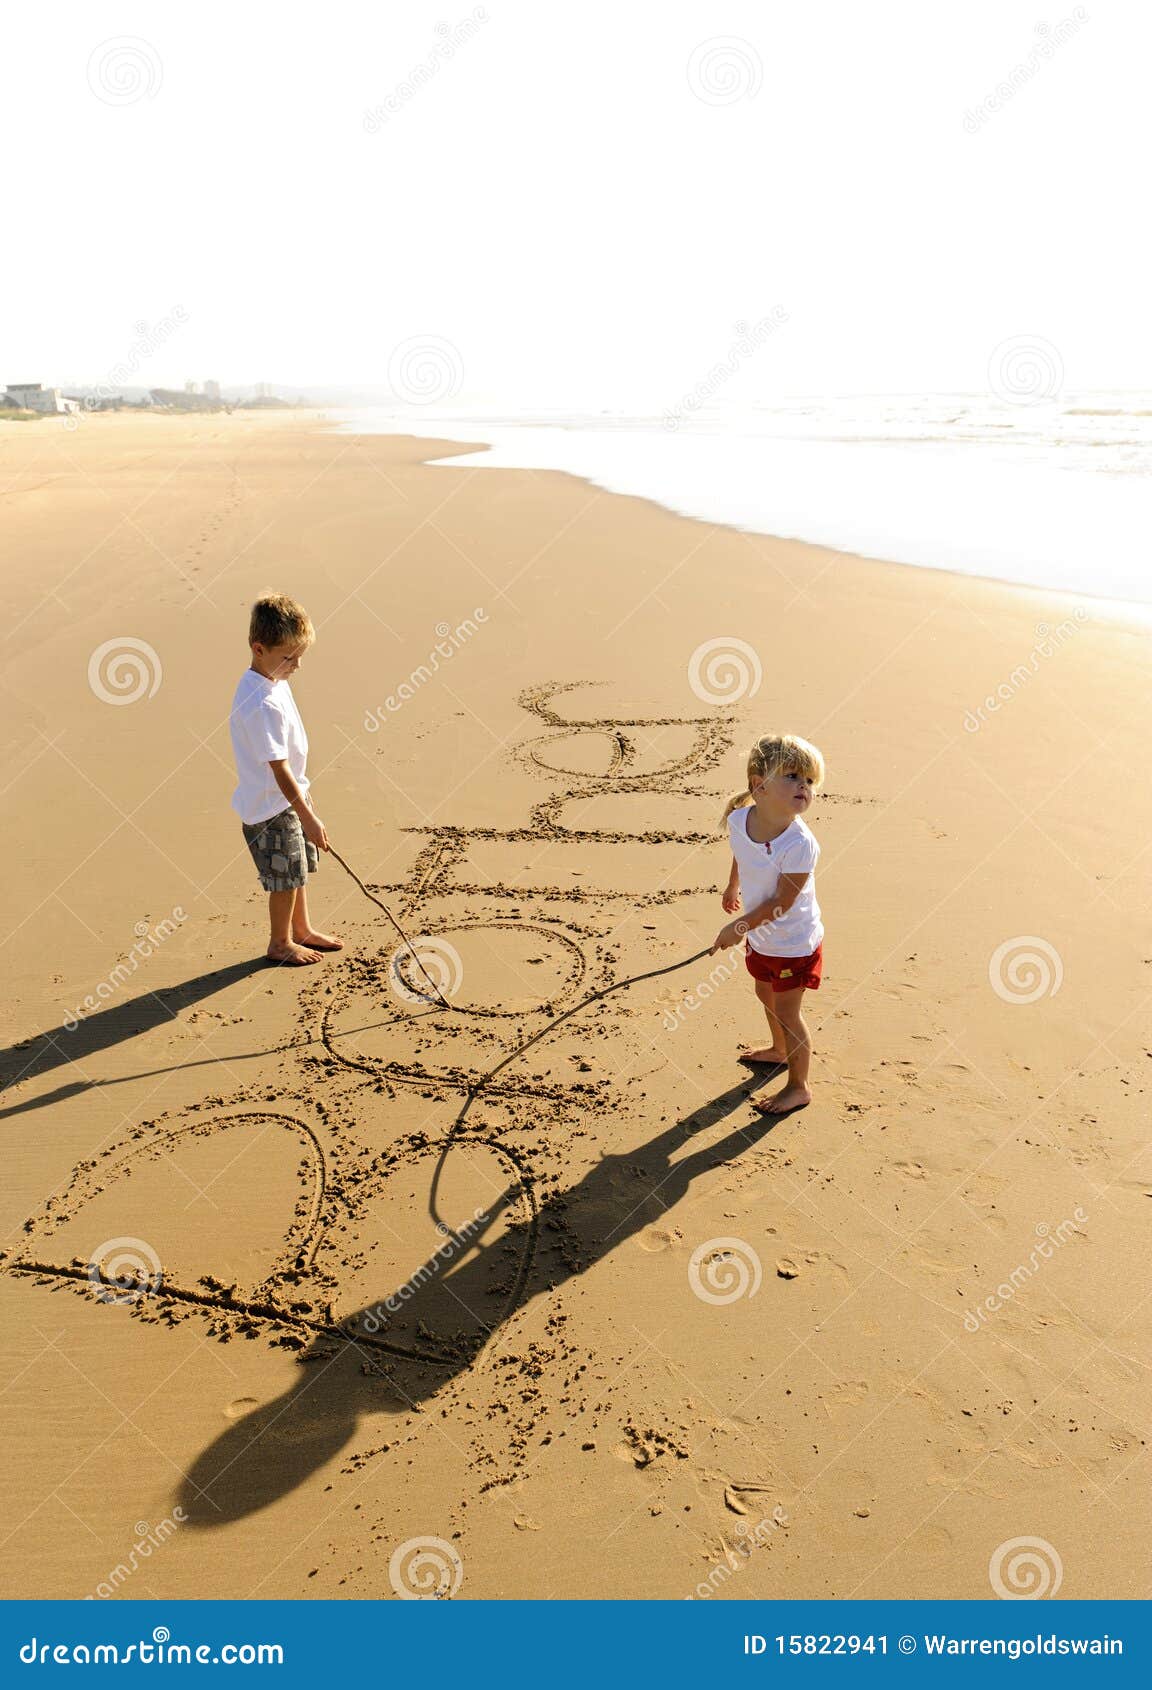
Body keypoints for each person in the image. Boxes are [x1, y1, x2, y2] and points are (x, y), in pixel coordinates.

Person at [710, 733, 824, 1115]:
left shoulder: (800, 844)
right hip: (760, 935)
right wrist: (732, 885)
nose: (803, 787)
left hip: (793, 941)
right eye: (792, 776)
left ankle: (798, 1086)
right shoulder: (741, 819)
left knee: (789, 1011)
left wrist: (737, 929)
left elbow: (782, 902)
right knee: (764, 993)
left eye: (809, 781)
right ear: (759, 785)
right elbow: (741, 851)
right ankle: (778, 1050)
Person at [229, 593, 343, 966]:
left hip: (289, 798)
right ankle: (280, 942)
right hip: (270, 808)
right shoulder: (260, 703)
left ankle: (302, 929)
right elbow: (278, 770)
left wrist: (305, 803)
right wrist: (307, 815)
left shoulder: (272, 680)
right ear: (258, 648)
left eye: (299, 657)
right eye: (288, 658)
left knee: (297, 868)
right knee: (284, 879)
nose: (295, 665)